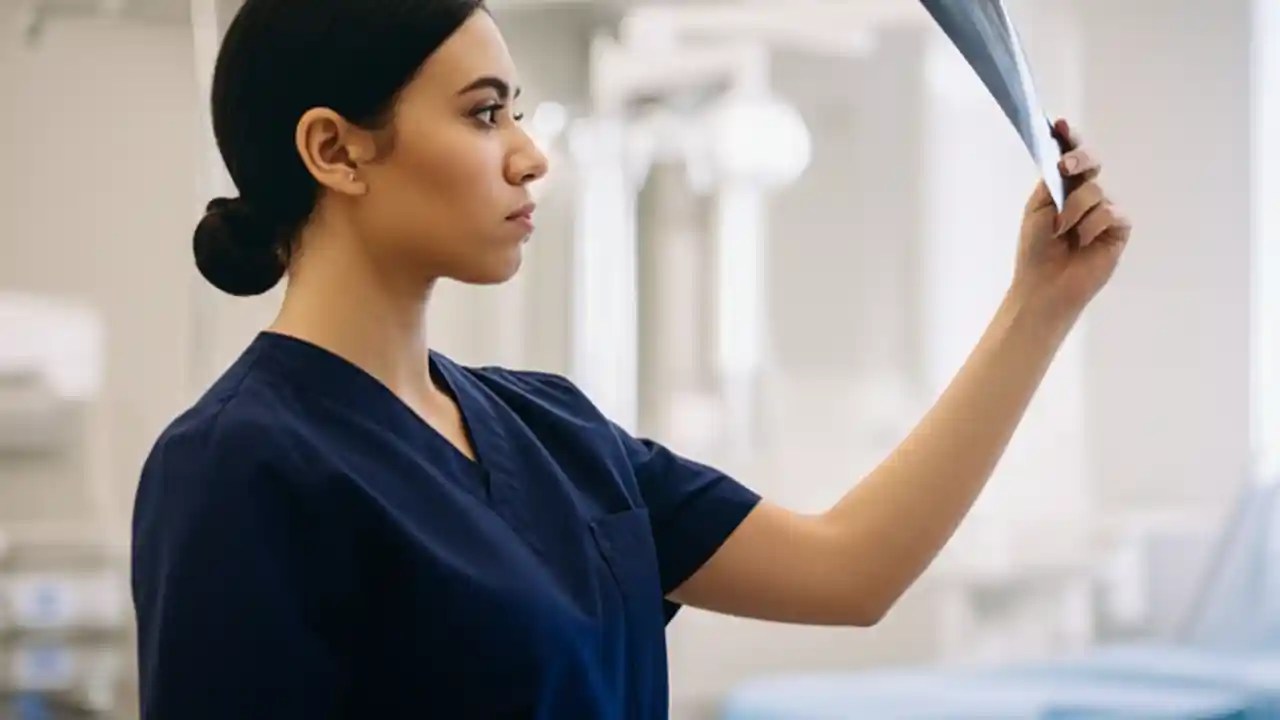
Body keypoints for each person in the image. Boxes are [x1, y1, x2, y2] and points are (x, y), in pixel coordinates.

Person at [130, 0, 1132, 718]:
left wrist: (1038, 304)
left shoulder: (553, 429)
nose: (529, 152)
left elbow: (848, 571)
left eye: (515, 110)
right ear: (335, 151)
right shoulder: (239, 465)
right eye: (485, 114)